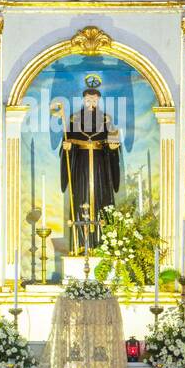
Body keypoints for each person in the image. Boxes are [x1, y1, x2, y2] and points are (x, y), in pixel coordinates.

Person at [58, 76, 121, 248]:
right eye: (88, 99)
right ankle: (80, 244)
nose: (91, 102)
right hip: (81, 167)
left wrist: (114, 149)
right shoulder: (73, 119)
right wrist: (67, 148)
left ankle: (104, 245)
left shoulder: (106, 120)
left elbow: (113, 140)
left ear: (98, 100)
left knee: (101, 199)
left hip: (100, 165)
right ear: (84, 100)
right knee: (81, 197)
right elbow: (67, 142)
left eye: (94, 99)